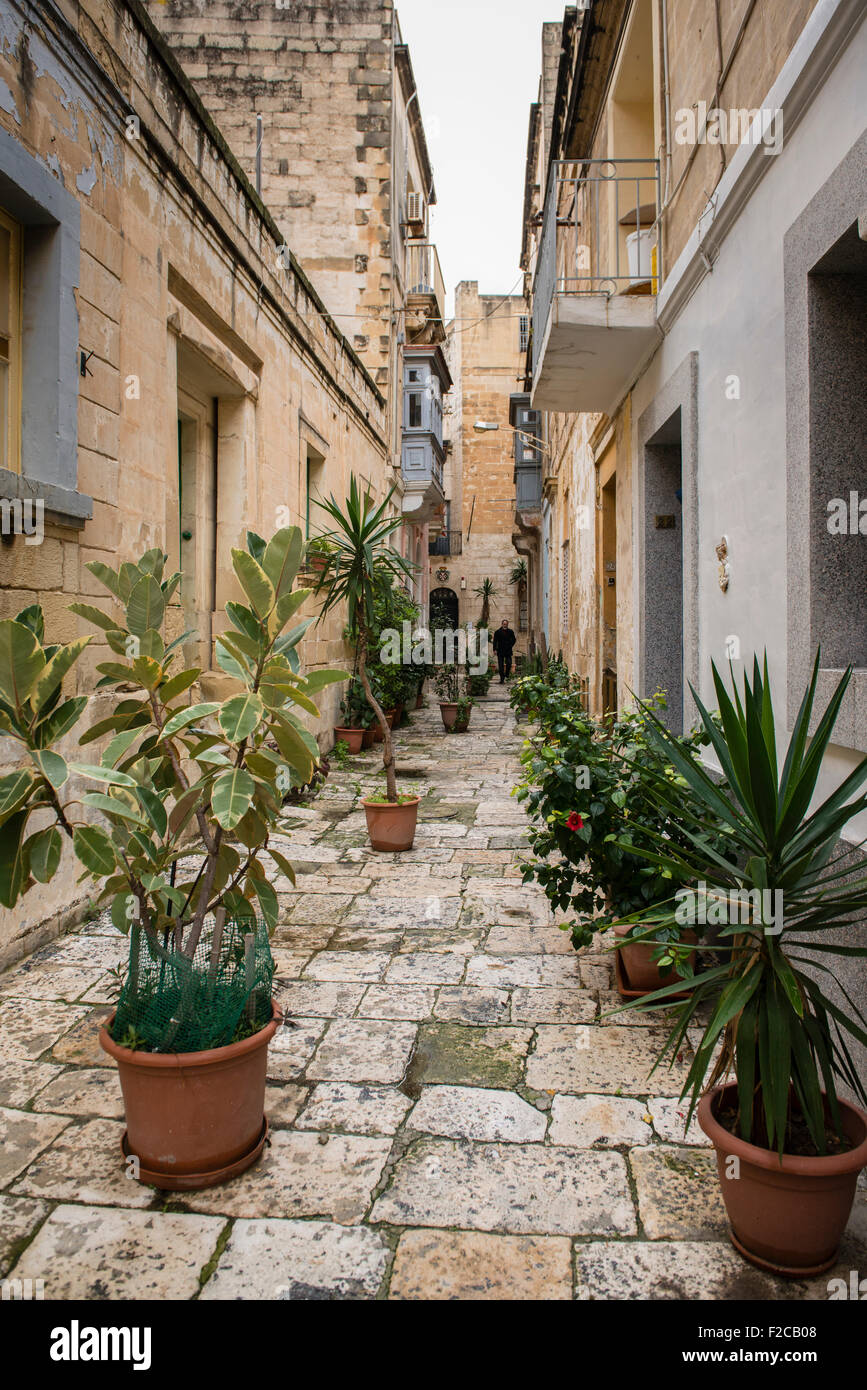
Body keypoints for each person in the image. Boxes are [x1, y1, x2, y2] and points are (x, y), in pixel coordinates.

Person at [492, 619, 517, 683]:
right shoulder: (497, 632)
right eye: (504, 624)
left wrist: (510, 645)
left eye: (506, 624)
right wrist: (494, 649)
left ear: (507, 624)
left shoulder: (510, 631)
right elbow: (495, 641)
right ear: (502, 624)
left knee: (509, 663)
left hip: (508, 650)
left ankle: (507, 674)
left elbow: (514, 639)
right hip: (500, 651)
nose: (505, 625)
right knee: (500, 666)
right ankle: (502, 679)